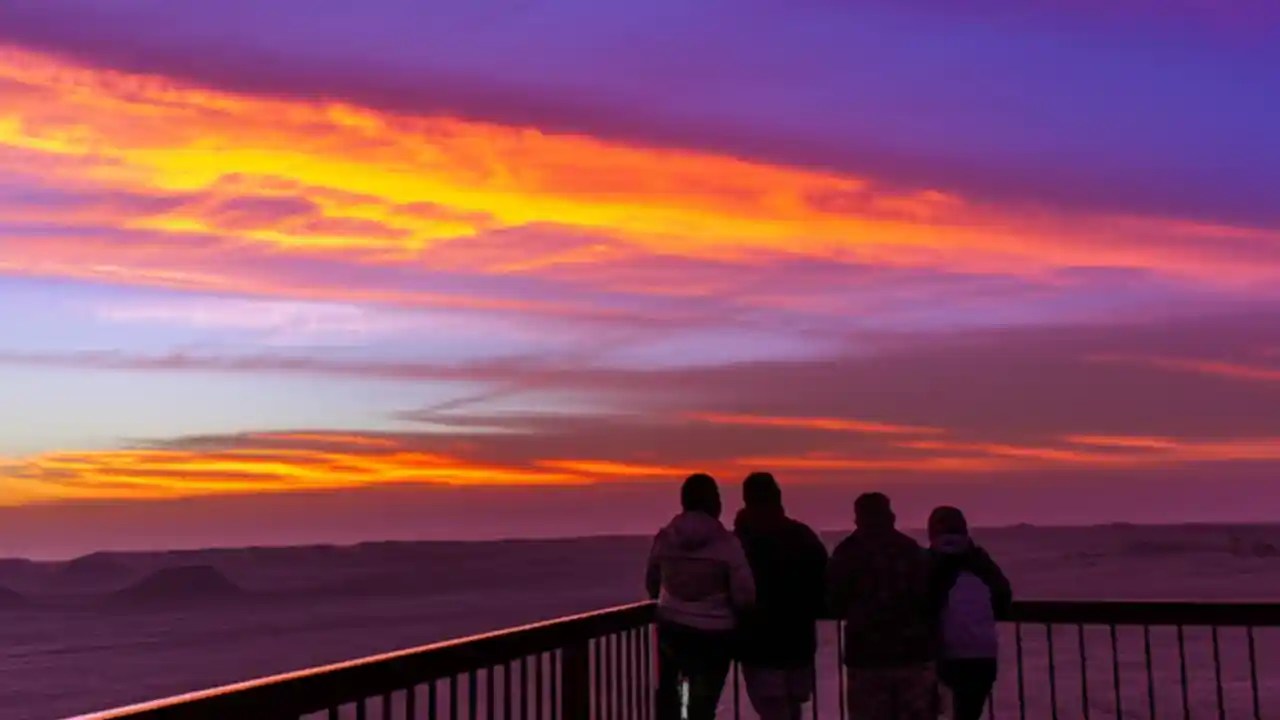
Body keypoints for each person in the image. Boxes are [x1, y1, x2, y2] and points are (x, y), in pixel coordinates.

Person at [646, 473, 755, 720]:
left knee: (669, 693)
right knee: (703, 704)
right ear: (714, 502)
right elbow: (744, 593)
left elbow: (652, 581)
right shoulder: (727, 543)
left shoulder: (666, 538)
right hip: (714, 634)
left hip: (672, 628)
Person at [827, 492, 936, 720]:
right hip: (911, 654)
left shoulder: (848, 552)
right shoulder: (910, 550)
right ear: (891, 516)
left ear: (858, 517)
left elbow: (833, 598)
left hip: (867, 656)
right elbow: (927, 597)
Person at [734, 472, 828, 720]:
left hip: (759, 644)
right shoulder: (802, 536)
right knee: (792, 708)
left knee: (773, 710)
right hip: (798, 641)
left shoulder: (741, 542)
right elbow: (824, 580)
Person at [928, 506, 1013, 720]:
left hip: (946, 654)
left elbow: (922, 603)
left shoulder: (930, 563)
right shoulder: (980, 562)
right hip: (983, 654)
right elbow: (1003, 597)